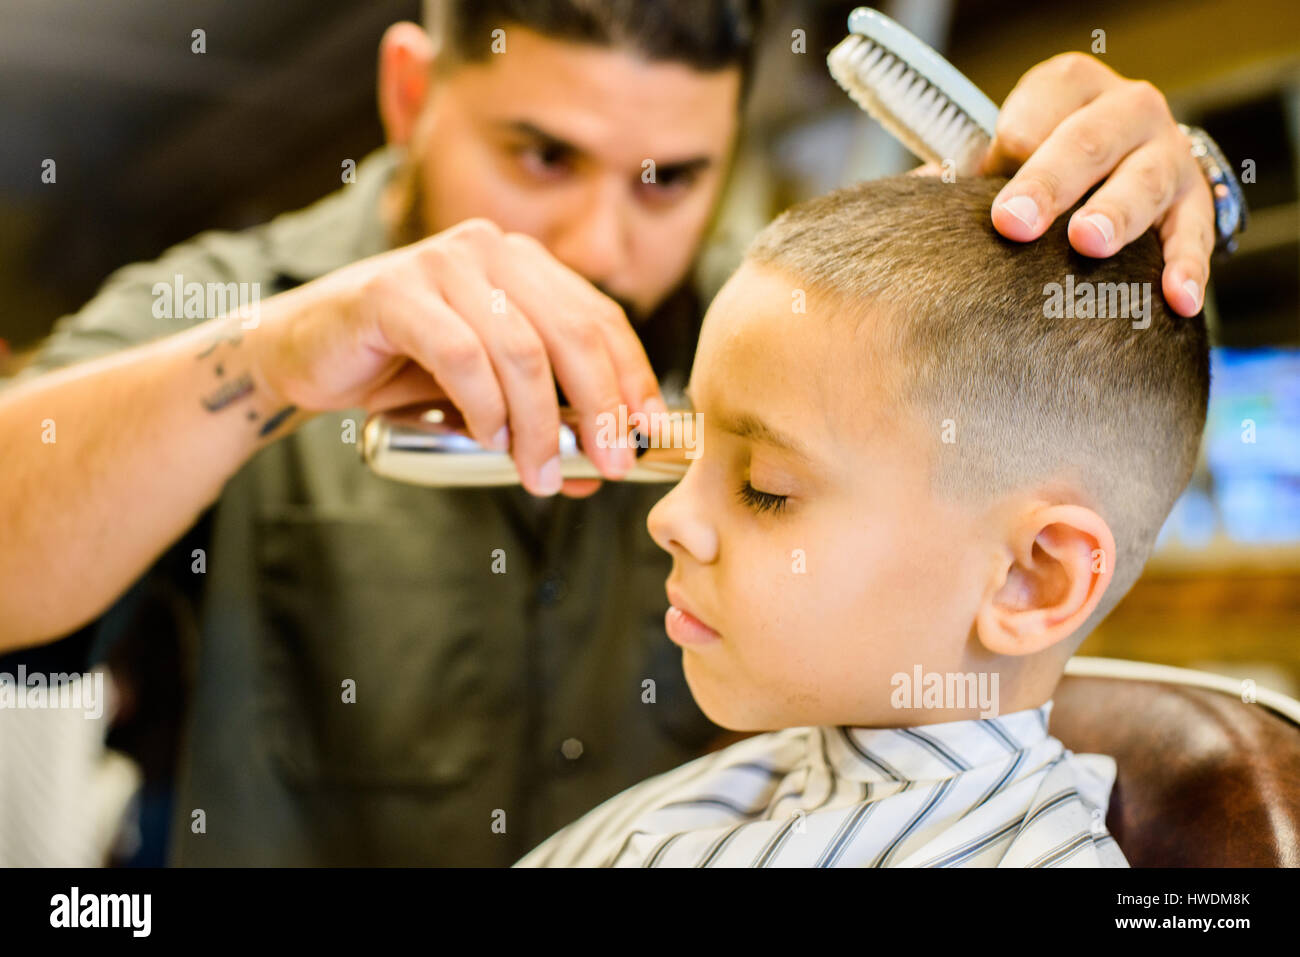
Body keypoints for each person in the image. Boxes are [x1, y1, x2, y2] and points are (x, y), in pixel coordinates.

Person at [0, 1, 1224, 865]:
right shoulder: (235, 296)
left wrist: (1162, 222)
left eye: (667, 179)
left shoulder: (799, 340)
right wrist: (265, 357)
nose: (598, 243)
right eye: (541, 155)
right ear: (414, 94)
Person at [516, 173, 1207, 866]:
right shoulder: (704, 800)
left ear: (1032, 579)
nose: (669, 518)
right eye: (691, 450)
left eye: (765, 488)